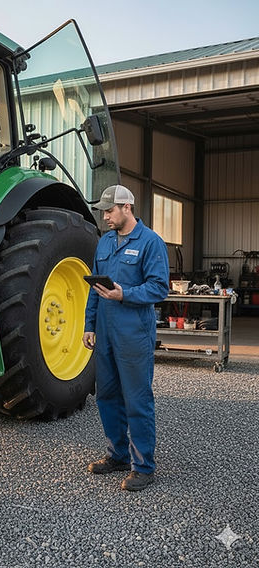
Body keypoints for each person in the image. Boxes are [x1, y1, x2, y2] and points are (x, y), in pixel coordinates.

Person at [82, 184, 169, 491]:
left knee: (137, 399)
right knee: (106, 395)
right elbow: (95, 288)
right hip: (105, 332)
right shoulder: (105, 242)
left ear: (127, 208)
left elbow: (159, 287)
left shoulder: (150, 242)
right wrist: (89, 324)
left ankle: (143, 466)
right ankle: (117, 454)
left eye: (109, 210)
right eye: (103, 211)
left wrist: (125, 294)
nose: (105, 216)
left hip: (134, 333)